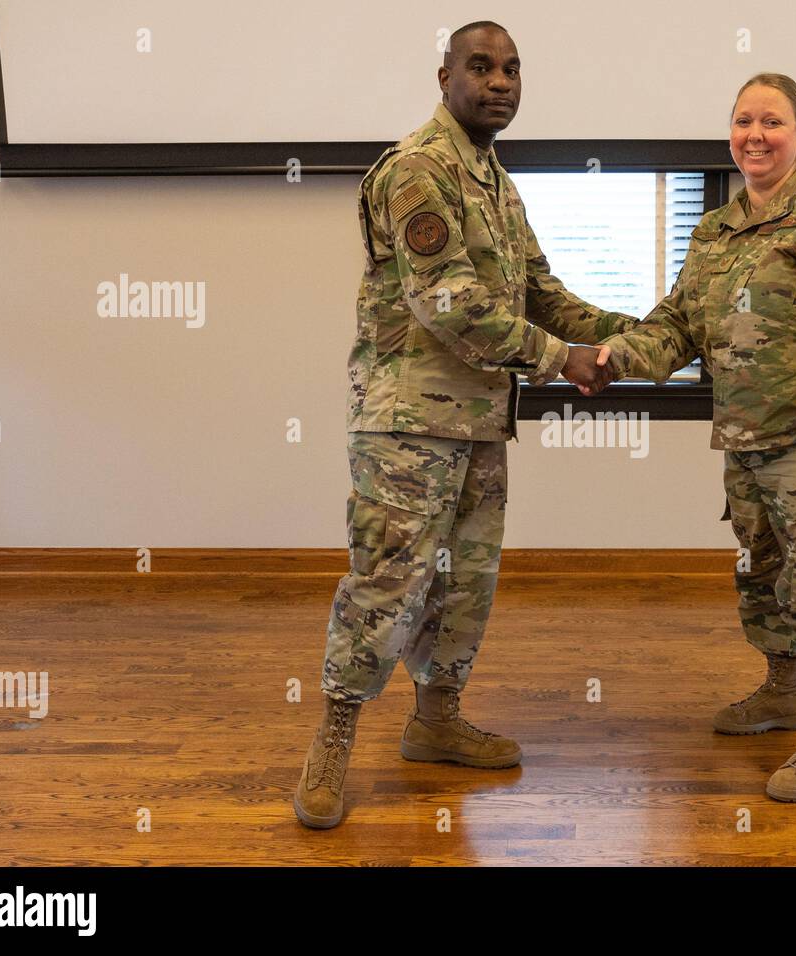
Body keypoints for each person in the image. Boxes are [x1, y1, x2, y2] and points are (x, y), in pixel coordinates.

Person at [294, 20, 630, 829]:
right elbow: (450, 305)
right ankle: (332, 742)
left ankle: (435, 721)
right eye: (481, 67)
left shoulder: (495, 182)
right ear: (443, 76)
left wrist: (640, 333)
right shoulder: (419, 171)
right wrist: (565, 358)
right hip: (408, 424)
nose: (501, 82)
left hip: (479, 424)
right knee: (387, 587)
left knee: (463, 585)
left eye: (513, 69)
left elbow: (541, 293)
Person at [597, 73, 796, 802]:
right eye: (742, 121)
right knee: (765, 576)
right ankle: (782, 693)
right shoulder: (715, 230)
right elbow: (677, 327)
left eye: (772, 121)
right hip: (747, 448)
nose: (754, 135)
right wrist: (606, 359)